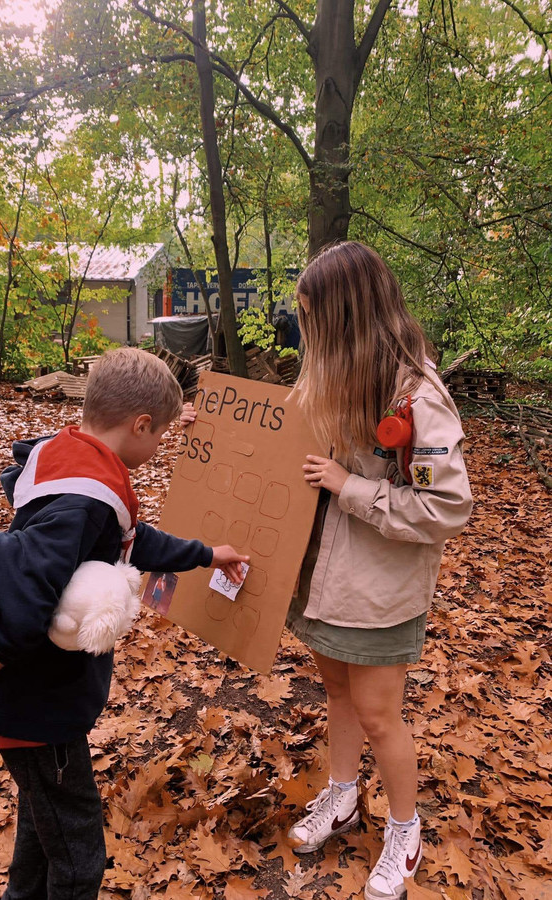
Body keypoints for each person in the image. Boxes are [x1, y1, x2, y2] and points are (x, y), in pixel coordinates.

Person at [0, 347, 248, 900]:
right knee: (78, 852)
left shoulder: (71, 458)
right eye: (160, 436)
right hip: (39, 704)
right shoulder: (83, 502)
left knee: (44, 821)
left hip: (37, 699)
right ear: (140, 424)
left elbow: (128, 537)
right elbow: (30, 578)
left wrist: (205, 553)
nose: (159, 446)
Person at [284, 242, 472, 900]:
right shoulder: (335, 373)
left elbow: (446, 507)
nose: (308, 332)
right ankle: (341, 798)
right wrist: (219, 432)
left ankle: (404, 829)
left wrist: (350, 487)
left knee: (378, 715)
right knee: (336, 692)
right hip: (323, 577)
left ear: (346, 315)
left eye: (315, 318)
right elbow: (289, 435)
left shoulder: (418, 397)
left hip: (377, 589)